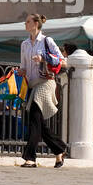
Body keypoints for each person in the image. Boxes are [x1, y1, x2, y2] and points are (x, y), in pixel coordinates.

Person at [19, 13, 67, 168]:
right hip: (32, 85)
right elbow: (24, 67)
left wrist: (43, 59)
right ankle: (59, 149)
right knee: (38, 121)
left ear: (35, 24)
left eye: (27, 21)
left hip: (46, 83)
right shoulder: (24, 44)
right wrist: (21, 72)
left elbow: (62, 60)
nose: (25, 24)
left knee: (34, 117)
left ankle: (30, 157)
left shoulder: (47, 40)